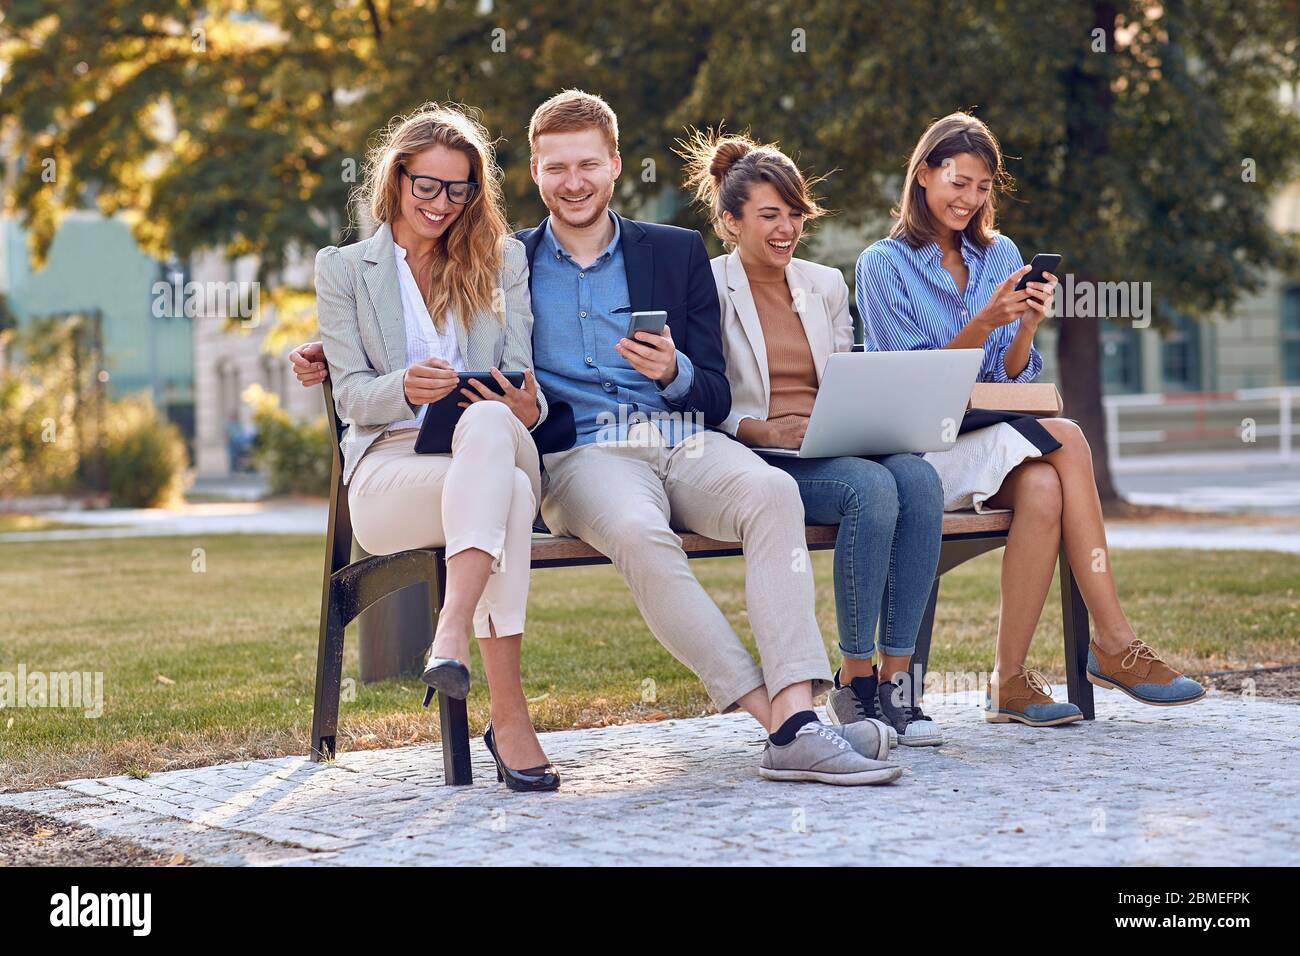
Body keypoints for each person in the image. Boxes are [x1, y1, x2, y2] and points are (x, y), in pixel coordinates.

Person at [299, 91, 901, 786]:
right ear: (535, 172)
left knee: (770, 493)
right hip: (583, 454)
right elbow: (468, 353)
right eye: (557, 167)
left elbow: (713, 391)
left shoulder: (675, 253)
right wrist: (517, 403)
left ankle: (799, 711)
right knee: (642, 533)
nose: (574, 181)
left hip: (681, 437)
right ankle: (790, 730)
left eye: (588, 163)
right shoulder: (509, 261)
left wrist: (675, 371)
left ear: (615, 164)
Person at [856, 112, 1204, 726]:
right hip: (918, 450)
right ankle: (1116, 644)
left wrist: (1026, 326)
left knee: (1044, 486)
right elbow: (914, 386)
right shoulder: (882, 265)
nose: (969, 199)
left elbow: (1011, 381)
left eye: (982, 187)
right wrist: (986, 320)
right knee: (1066, 437)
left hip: (986, 436)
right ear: (923, 177)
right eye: (957, 182)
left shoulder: (1002, 254)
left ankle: (1009, 682)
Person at [308, 103, 559, 791]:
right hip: (391, 470)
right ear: (397, 179)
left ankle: (448, 634)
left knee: (484, 427)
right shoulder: (344, 269)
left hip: (491, 439)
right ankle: (508, 718)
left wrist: (523, 405)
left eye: (459, 189)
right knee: (503, 494)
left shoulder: (500, 259)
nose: (442, 204)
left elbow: (523, 382)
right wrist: (405, 389)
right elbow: (353, 397)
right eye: (428, 186)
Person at [677, 128, 948, 747]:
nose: (786, 228)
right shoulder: (706, 287)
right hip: (759, 455)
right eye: (770, 215)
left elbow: (847, 372)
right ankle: (854, 684)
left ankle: (897, 687)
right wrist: (759, 426)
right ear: (729, 221)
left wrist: (858, 418)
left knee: (920, 479)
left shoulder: (824, 283)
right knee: (872, 488)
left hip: (832, 440)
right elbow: (701, 391)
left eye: (795, 214)